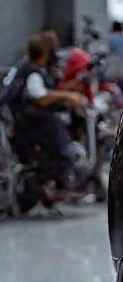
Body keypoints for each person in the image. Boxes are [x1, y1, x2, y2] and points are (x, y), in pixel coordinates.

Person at [4, 35, 88, 196]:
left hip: (17, 119)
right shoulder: (33, 72)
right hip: (27, 122)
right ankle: (65, 177)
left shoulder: (22, 67)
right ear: (43, 55)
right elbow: (40, 98)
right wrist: (67, 96)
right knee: (56, 130)